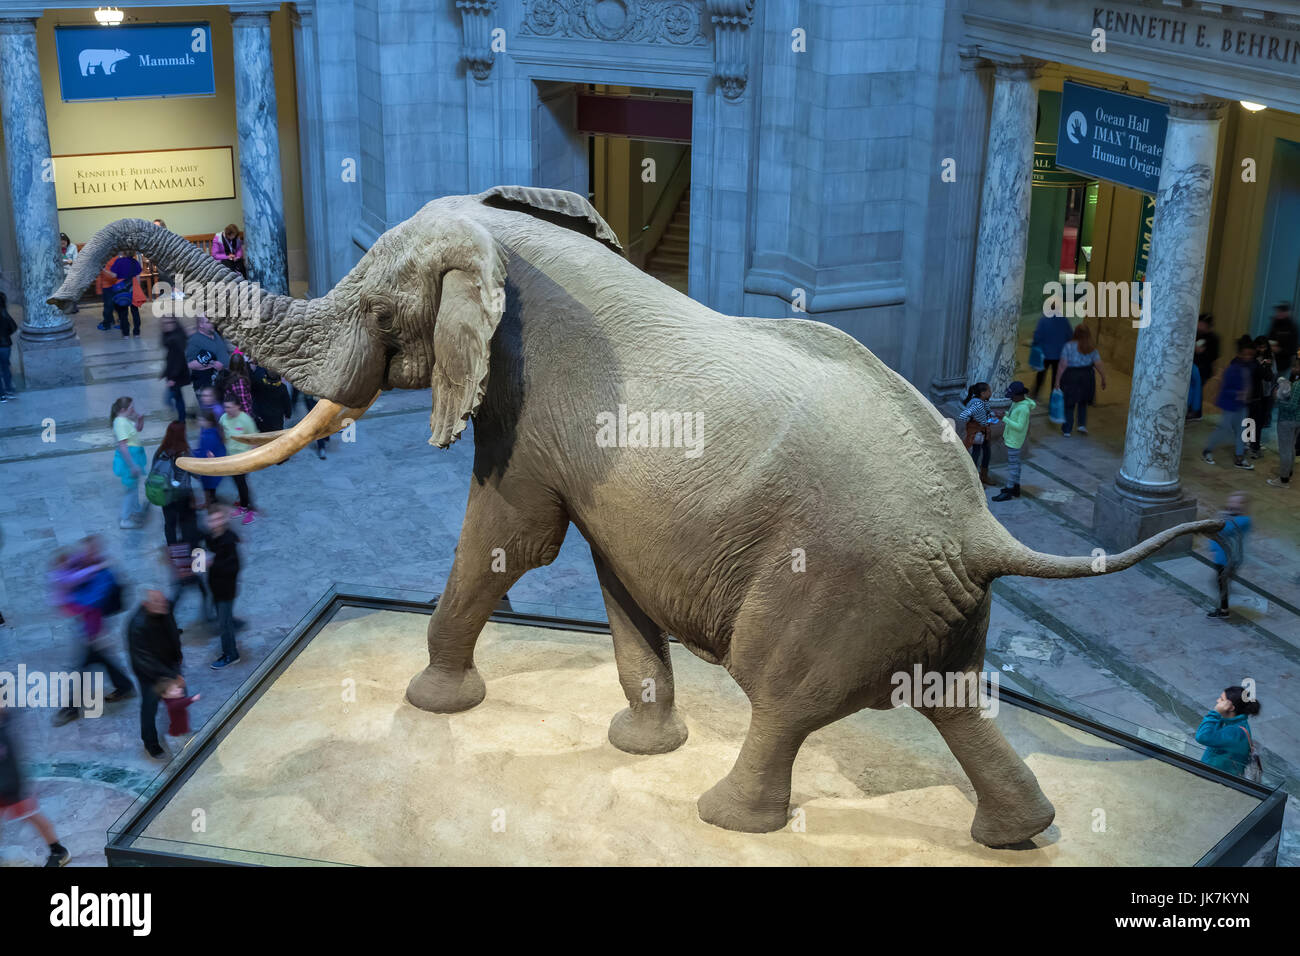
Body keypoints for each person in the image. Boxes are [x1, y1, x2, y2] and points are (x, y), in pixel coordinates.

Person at [48, 537, 135, 726]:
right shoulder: (83, 562)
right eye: (84, 552)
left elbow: (90, 601)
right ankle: (125, 686)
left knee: (81, 669)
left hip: (94, 630)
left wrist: (68, 600)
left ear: (97, 553)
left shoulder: (104, 576)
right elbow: (66, 569)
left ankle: (71, 708)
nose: (85, 556)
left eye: (90, 552)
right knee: (101, 659)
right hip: (89, 628)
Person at [0, 704, 71, 866]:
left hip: (10, 787)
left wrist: (9, 789)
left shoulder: (3, 732)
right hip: (6, 785)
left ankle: (58, 850)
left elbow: (7, 764)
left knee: (32, 814)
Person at [125, 589, 183, 759]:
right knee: (150, 707)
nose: (163, 604)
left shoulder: (165, 609)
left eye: (163, 600)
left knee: (178, 698)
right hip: (150, 675)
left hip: (169, 664)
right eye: (157, 602)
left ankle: (178, 729)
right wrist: (171, 676)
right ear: (146, 605)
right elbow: (144, 660)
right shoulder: (136, 626)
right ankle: (150, 743)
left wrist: (178, 655)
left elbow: (172, 630)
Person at [1202, 336, 1257, 469]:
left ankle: (1239, 457)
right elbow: (1225, 388)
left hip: (1241, 405)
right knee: (1224, 429)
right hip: (1230, 405)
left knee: (1242, 430)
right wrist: (1238, 394)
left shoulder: (1249, 367)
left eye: (1250, 354)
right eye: (1245, 354)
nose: (1248, 357)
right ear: (1239, 354)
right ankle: (1207, 450)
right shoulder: (1232, 368)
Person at [205, 504, 243, 669]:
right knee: (224, 618)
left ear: (225, 520)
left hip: (225, 590)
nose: (216, 523)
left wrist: (212, 563)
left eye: (219, 519)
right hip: (215, 587)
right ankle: (232, 621)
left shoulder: (229, 541)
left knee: (224, 625)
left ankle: (231, 654)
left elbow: (233, 567)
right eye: (213, 520)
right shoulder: (210, 537)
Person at [1195, 686, 1262, 776]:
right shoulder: (1234, 722)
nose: (1217, 701)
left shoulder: (1235, 733)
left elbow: (1202, 736)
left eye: (1222, 699)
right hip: (1213, 773)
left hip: (1216, 778)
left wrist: (1215, 713)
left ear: (1230, 708)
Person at [151, 421, 199, 546]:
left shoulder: (160, 452)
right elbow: (197, 474)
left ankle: (173, 550)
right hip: (183, 494)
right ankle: (189, 547)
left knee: (170, 524)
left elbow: (153, 472)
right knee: (187, 522)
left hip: (165, 493)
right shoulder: (186, 453)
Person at [1055, 324, 1107, 437]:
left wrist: (1057, 380)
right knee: (1082, 401)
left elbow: (1062, 365)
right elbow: (1098, 364)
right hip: (1087, 376)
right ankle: (1081, 425)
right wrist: (1103, 378)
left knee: (1069, 403)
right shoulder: (1092, 348)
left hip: (1071, 376)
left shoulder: (1068, 346)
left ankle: (1067, 429)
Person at [1205, 491, 1250, 619]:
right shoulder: (1229, 517)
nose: (1232, 504)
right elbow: (1214, 533)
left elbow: (1225, 529)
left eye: (1236, 502)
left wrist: (1221, 517)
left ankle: (1224, 610)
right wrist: (1212, 548)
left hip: (1231, 558)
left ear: (1243, 505)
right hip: (1221, 556)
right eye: (1231, 501)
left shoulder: (1244, 520)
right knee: (1220, 582)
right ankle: (1225, 601)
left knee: (1221, 582)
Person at [111, 396, 150, 529]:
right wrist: (132, 465)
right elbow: (123, 446)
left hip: (134, 457)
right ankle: (125, 519)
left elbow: (138, 429)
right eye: (131, 407)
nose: (134, 409)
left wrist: (140, 419)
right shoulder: (120, 423)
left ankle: (136, 510)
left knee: (133, 487)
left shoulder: (125, 420)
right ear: (123, 410)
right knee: (130, 490)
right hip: (130, 460)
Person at [992, 381, 1034, 502]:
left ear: (1019, 395)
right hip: (1012, 438)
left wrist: (1004, 418)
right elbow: (1013, 416)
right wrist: (1004, 414)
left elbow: (1019, 426)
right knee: (1015, 464)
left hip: (1015, 440)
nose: (1011, 398)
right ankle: (1015, 487)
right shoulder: (1017, 403)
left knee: (1013, 466)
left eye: (1012, 396)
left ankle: (1010, 490)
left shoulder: (1024, 409)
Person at [219, 396, 259, 521]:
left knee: (241, 483)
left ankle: (248, 509)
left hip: (243, 459)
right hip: (230, 458)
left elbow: (254, 440)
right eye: (225, 407)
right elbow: (222, 436)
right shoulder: (223, 418)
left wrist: (251, 459)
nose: (227, 410)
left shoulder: (245, 420)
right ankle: (243, 502)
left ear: (238, 406)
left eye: (229, 407)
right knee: (238, 482)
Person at [957, 382, 1000, 486]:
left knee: (986, 453)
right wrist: (994, 419)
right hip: (977, 432)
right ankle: (974, 480)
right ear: (983, 393)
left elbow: (987, 413)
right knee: (976, 454)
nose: (991, 392)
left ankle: (983, 476)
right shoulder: (977, 403)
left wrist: (994, 414)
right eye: (989, 390)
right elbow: (982, 419)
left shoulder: (982, 401)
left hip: (983, 432)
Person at [1267, 358, 1299, 488]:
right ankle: (1288, 471)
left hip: (1287, 420)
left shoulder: (1297, 385)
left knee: (1285, 450)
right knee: (1291, 446)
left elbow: (1291, 406)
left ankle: (1283, 479)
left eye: (1295, 366)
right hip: (1297, 420)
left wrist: (1277, 399)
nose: (1293, 369)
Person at [186, 315, 230, 405]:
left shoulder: (215, 334)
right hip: (207, 386)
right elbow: (189, 364)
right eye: (208, 322)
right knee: (211, 415)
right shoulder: (194, 340)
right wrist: (213, 364)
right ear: (201, 325)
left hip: (222, 382)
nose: (212, 323)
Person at [1030, 310, 1073, 398]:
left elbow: (1037, 336)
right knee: (1056, 377)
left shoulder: (1043, 320)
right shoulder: (1064, 320)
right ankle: (1053, 398)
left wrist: (1035, 344)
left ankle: (1035, 394)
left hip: (1045, 353)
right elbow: (1070, 336)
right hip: (1060, 354)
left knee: (1041, 374)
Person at [100, 252, 145, 337]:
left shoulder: (119, 261)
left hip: (122, 288)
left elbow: (114, 275)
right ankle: (136, 332)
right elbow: (138, 277)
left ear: (123, 252)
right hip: (134, 287)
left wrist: (104, 270)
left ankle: (126, 334)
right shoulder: (135, 261)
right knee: (135, 312)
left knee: (123, 313)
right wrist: (138, 289)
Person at [1246, 335, 1276, 459]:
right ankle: (1250, 444)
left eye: (1264, 347)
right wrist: (1262, 366)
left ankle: (1253, 444)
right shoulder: (1252, 359)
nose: (1262, 350)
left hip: (1265, 393)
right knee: (1250, 420)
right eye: (1259, 347)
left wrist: (1266, 366)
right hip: (1253, 394)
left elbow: (1272, 375)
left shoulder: (1270, 357)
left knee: (1259, 421)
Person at [160, 314, 191, 423]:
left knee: (168, 399)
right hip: (174, 374)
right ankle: (182, 418)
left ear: (175, 323)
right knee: (178, 398)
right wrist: (164, 373)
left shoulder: (176, 339)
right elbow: (171, 359)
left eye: (169, 323)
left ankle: (181, 418)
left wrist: (172, 378)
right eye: (164, 323)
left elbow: (178, 360)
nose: (166, 325)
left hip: (176, 376)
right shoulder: (171, 336)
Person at [194, 409, 227, 506]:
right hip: (213, 467)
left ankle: (210, 503)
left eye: (201, 420)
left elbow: (206, 452)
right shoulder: (210, 431)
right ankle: (210, 500)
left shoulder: (210, 435)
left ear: (208, 422)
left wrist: (192, 454)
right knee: (210, 487)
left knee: (208, 486)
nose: (198, 422)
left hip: (210, 467)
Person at [1191, 313, 1221, 416]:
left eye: (1202, 324)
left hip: (1203, 369)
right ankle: (1192, 409)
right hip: (1192, 367)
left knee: (1197, 390)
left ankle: (1196, 411)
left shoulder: (1214, 338)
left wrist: (1202, 351)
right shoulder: (1195, 333)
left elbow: (1214, 357)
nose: (1199, 325)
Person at [250, 360, 292, 434]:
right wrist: (288, 414)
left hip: (262, 417)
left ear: (266, 375)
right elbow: (286, 402)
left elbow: (253, 393)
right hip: (276, 419)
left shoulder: (259, 383)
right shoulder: (282, 388)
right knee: (276, 437)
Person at [1267, 302, 1297, 375]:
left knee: (1278, 383)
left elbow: (1293, 348)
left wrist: (1280, 350)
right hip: (1272, 360)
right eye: (1278, 311)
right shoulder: (1275, 323)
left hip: (1283, 363)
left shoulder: (1292, 327)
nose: (1278, 313)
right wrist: (1271, 345)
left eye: (1281, 311)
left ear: (1286, 312)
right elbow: (1270, 337)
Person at [0, 291, 17, 402]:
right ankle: (9, 390)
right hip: (5, 345)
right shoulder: (4, 314)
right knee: (5, 368)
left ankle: (1, 395)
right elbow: (14, 327)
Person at [59, 233, 80, 314]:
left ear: (67, 241)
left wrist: (71, 261)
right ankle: (64, 307)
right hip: (60, 271)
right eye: (61, 243)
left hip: (71, 270)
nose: (62, 244)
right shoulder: (55, 247)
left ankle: (73, 307)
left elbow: (77, 260)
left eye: (64, 242)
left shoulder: (73, 247)